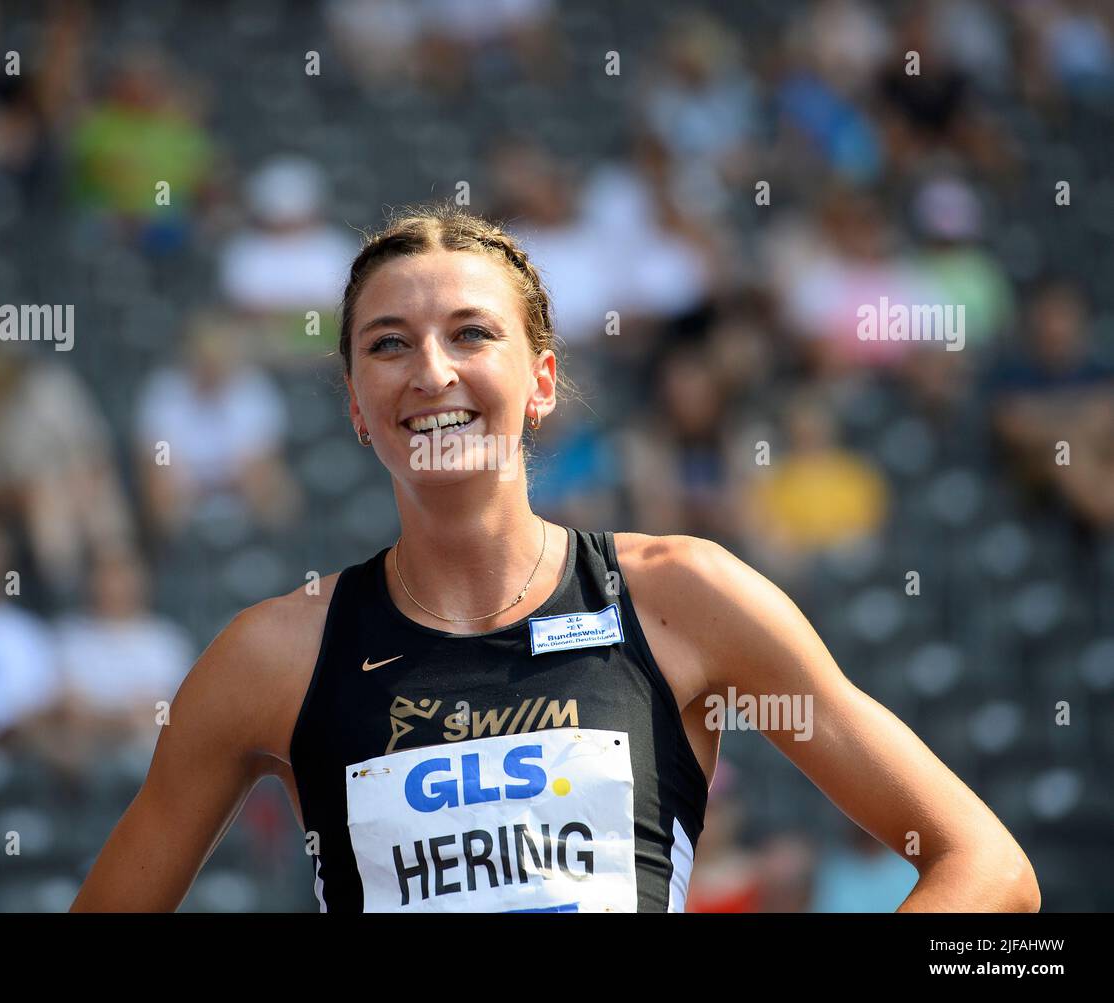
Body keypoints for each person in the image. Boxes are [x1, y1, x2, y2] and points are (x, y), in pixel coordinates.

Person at [71, 204, 1039, 913]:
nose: (432, 372)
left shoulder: (682, 596)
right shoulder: (271, 655)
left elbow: (986, 869)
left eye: (471, 333)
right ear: (355, 408)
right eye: (388, 344)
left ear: (540, 381)